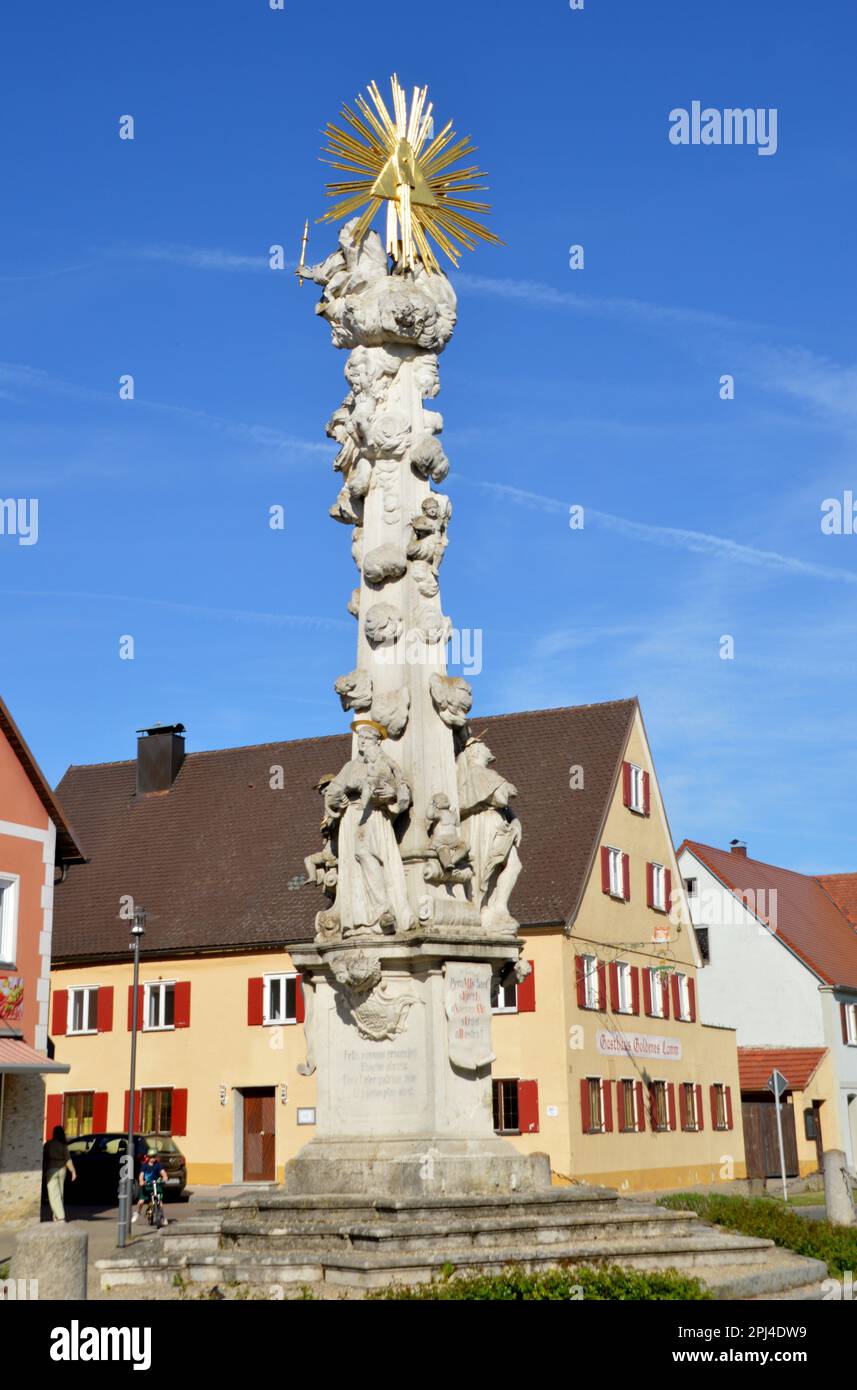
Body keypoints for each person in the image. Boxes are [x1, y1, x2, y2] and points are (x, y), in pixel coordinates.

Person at [42, 1125, 76, 1222]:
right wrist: (73, 1171)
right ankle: (56, 1216)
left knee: (53, 1195)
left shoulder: (48, 1145)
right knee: (60, 1194)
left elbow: (44, 1159)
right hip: (62, 1170)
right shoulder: (63, 1145)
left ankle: (60, 1216)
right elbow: (68, 1160)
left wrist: (43, 1171)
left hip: (51, 1169)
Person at [132, 1150, 169, 1225]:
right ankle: (138, 1212)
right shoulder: (144, 1165)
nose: (153, 1158)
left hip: (156, 1185)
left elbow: (163, 1173)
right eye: (151, 1157)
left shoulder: (158, 1165)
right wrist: (141, 1181)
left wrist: (165, 1178)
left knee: (160, 1202)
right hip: (147, 1185)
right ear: (148, 1157)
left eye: (154, 1156)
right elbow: (141, 1175)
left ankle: (162, 1217)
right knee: (141, 1201)